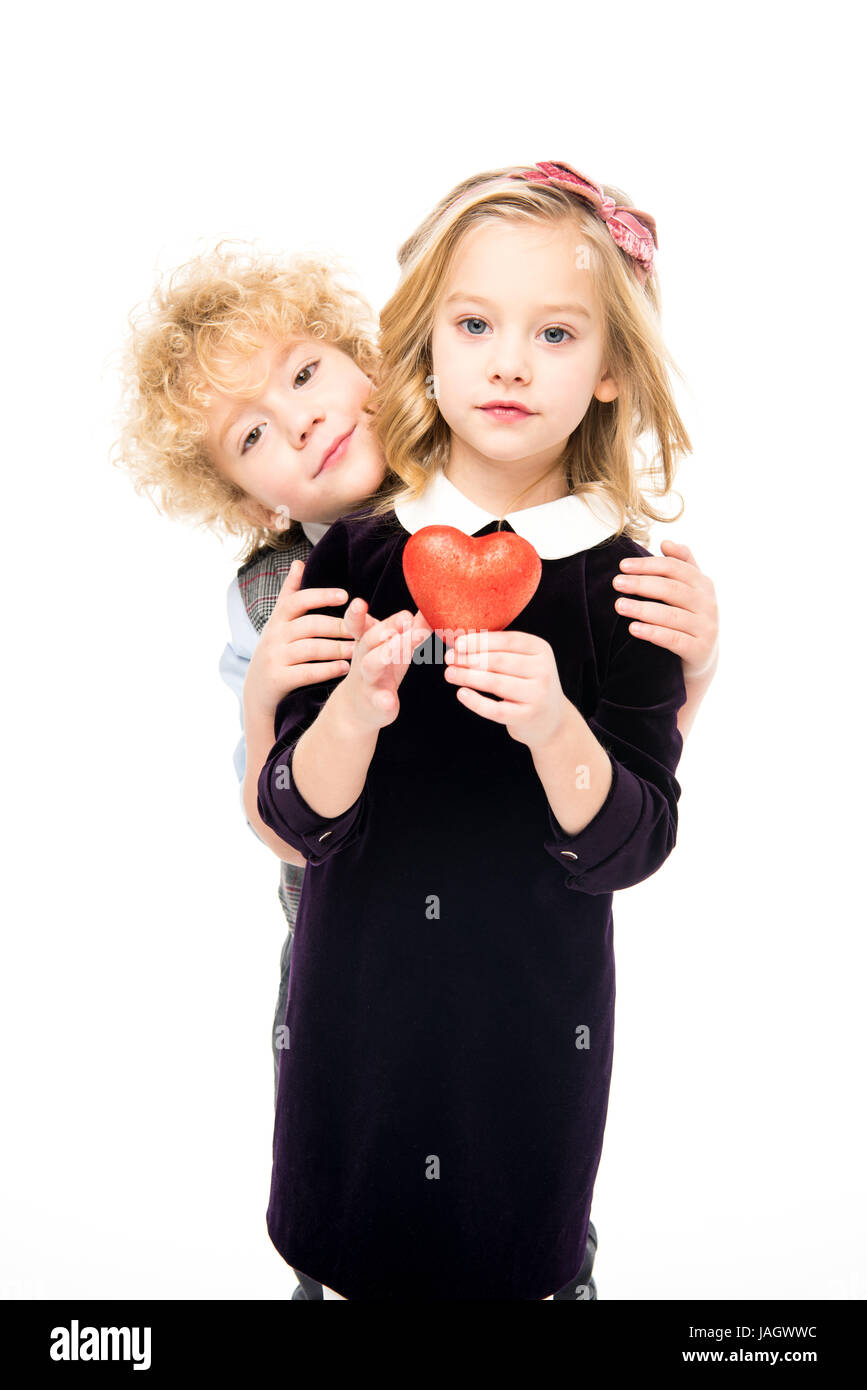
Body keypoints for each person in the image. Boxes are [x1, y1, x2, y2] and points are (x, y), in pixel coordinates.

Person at [256, 159, 711, 1301]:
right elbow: (294, 811)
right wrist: (353, 713)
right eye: (475, 323)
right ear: (428, 344)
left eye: (556, 334)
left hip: (528, 1030)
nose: (509, 360)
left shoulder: (628, 588)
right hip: (356, 1024)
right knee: (345, 1248)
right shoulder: (354, 554)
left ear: (611, 372)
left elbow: (635, 840)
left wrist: (558, 722)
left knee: (519, 1258)